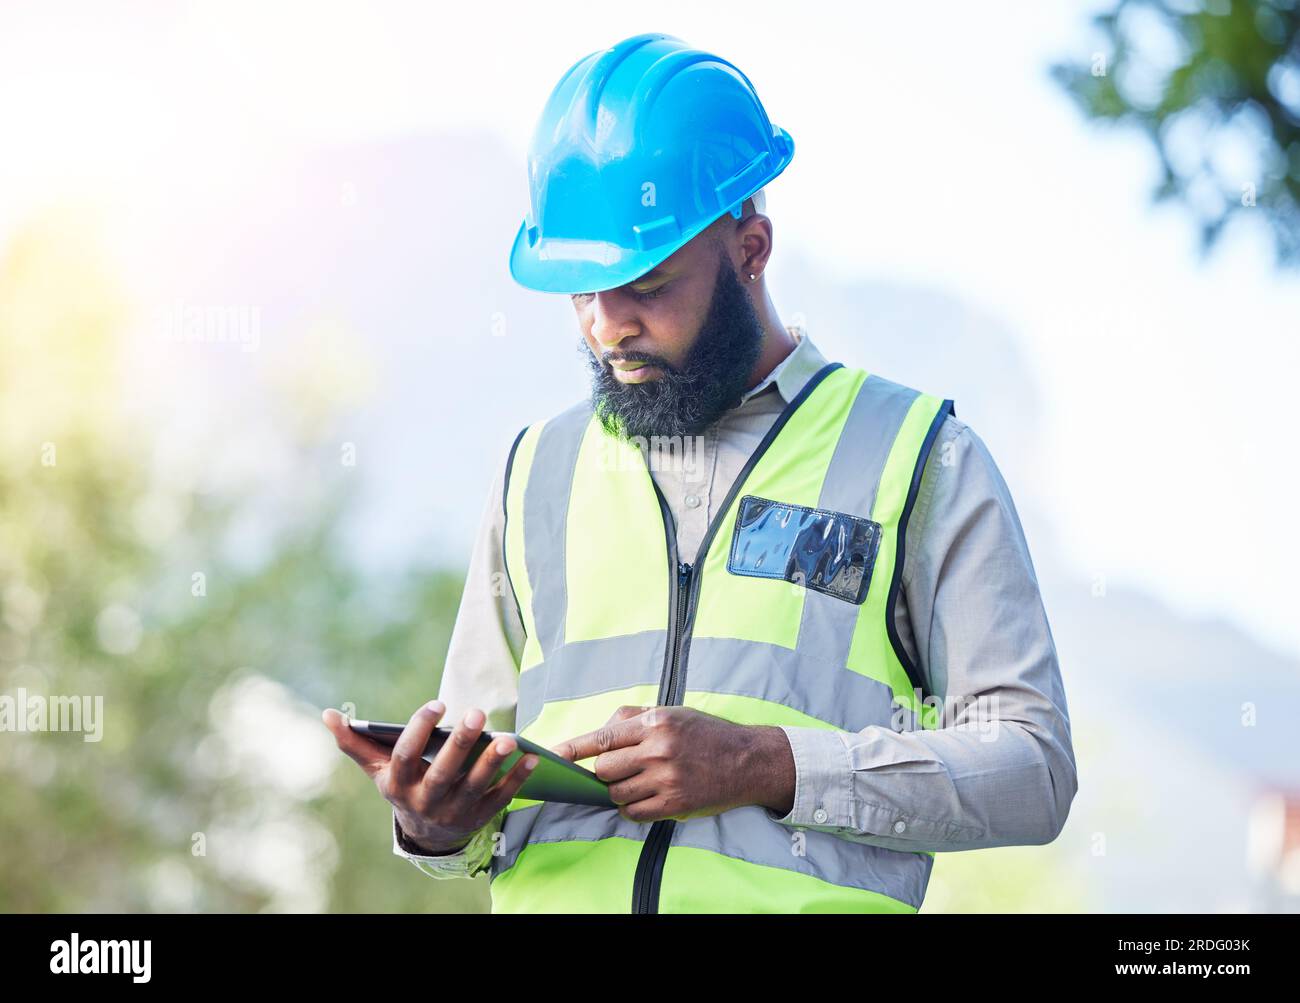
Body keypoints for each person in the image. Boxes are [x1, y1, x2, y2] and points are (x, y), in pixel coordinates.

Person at [323, 32, 1077, 913]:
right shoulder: (535, 471)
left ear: (751, 247)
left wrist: (768, 762)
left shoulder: (918, 457)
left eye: (644, 284)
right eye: (580, 291)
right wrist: (435, 820)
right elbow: (475, 790)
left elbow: (1034, 767)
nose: (607, 328)